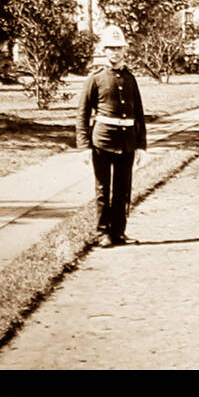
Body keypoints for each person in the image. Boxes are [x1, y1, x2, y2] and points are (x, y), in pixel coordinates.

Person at [76, 24, 147, 246]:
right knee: (102, 190)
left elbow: (139, 113)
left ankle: (119, 231)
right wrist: (84, 145)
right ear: (104, 50)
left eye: (119, 48)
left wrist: (141, 144)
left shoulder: (130, 78)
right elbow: (83, 112)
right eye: (111, 48)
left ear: (123, 50)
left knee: (123, 190)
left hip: (126, 142)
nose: (115, 52)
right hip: (102, 141)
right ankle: (103, 232)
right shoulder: (95, 78)